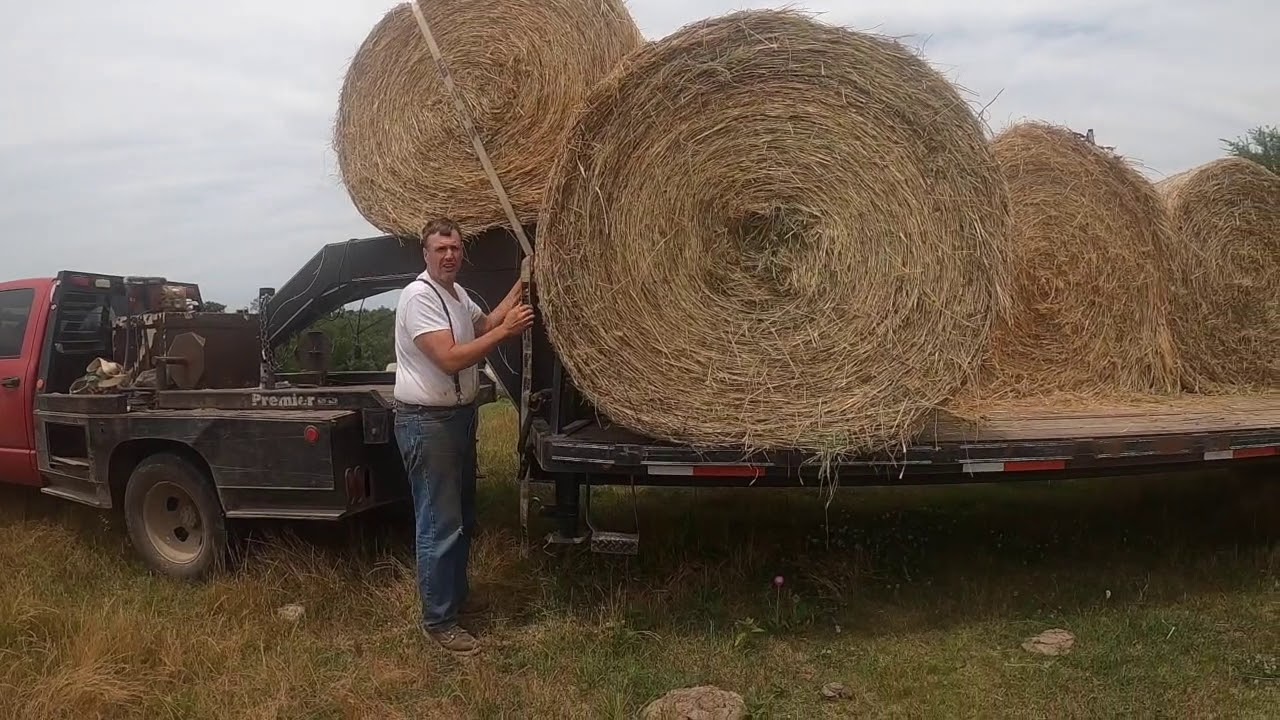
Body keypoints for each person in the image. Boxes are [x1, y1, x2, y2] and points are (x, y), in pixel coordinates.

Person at [392, 217, 533, 656]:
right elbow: (451, 359)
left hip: (457, 418)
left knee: (461, 518)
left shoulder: (457, 295)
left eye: (454, 248)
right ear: (426, 253)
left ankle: (455, 601)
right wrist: (507, 332)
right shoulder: (420, 297)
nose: (449, 255)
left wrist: (522, 282)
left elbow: (487, 321)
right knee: (439, 523)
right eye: (440, 249)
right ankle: (438, 620)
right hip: (427, 422)